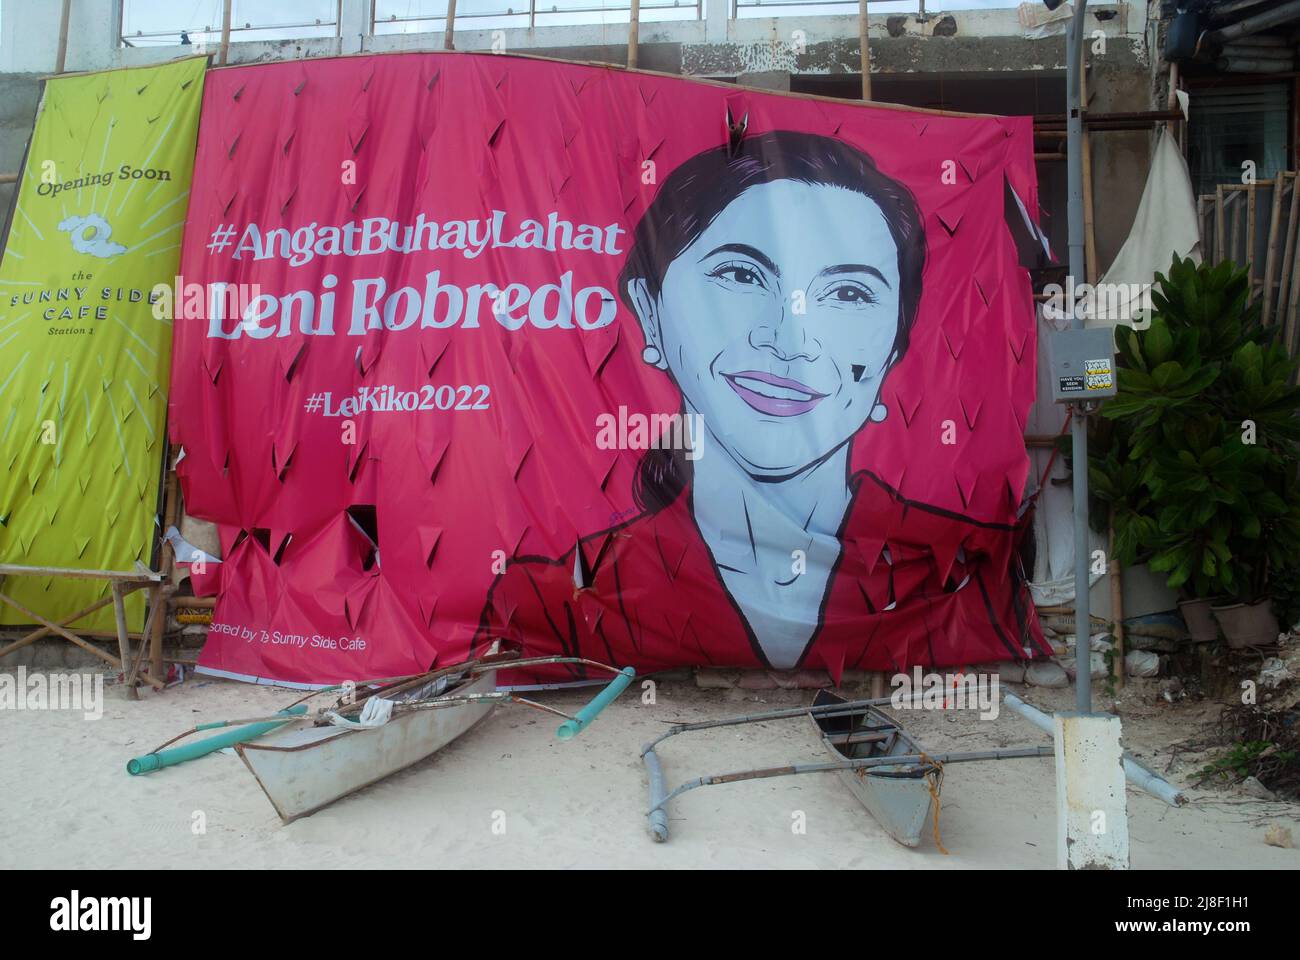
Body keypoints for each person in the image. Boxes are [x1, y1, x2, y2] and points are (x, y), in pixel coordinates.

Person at [474, 130, 1046, 680]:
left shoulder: (959, 573)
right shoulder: (561, 598)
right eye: (740, 275)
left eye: (848, 293)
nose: (790, 339)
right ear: (650, 312)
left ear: (895, 346)